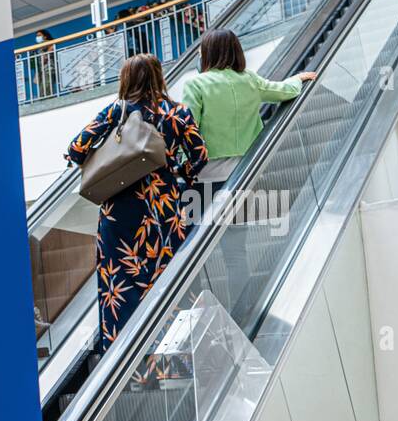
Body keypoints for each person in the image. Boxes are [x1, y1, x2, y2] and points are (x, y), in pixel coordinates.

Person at [66, 54, 208, 351]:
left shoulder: (116, 111)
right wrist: (176, 173)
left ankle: (123, 358)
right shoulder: (177, 113)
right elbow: (199, 157)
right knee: (168, 279)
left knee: (121, 282)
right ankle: (172, 353)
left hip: (121, 211)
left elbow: (76, 149)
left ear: (126, 79)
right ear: (158, 76)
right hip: (164, 211)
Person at [181, 28, 316, 181]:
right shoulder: (249, 79)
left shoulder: (195, 84)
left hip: (207, 172)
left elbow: (188, 127)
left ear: (208, 55)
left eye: (201, 54)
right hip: (247, 167)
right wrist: (297, 78)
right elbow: (283, 91)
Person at [32, 29, 58, 100]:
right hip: (42, 71)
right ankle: (43, 100)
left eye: (39, 35)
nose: (37, 37)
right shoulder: (40, 45)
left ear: (45, 37)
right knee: (42, 88)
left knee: (47, 86)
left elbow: (51, 48)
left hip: (48, 69)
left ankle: (49, 100)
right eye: (37, 36)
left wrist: (45, 56)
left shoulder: (48, 43)